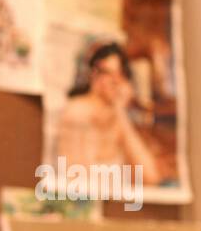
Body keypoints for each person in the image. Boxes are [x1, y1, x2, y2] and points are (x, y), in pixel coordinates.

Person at [55, 40, 161, 188]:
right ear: (94, 74)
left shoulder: (117, 115)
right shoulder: (77, 110)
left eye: (119, 75)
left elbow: (150, 177)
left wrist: (120, 112)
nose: (114, 82)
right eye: (108, 73)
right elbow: (79, 178)